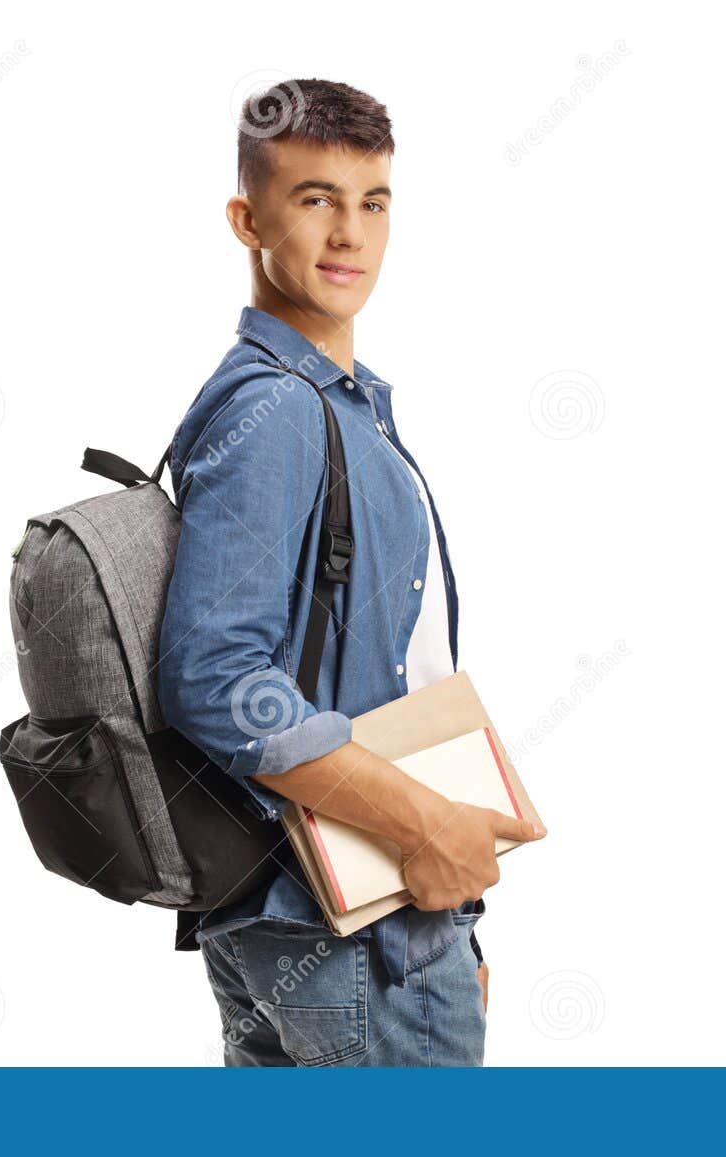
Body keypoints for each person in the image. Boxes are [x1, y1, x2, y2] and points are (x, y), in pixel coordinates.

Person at [155, 78, 546, 1066]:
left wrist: (452, 922)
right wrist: (425, 829)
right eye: (315, 198)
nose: (349, 234)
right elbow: (214, 677)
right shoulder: (277, 410)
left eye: (372, 202)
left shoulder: (340, 402)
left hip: (358, 919)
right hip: (351, 927)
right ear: (248, 220)